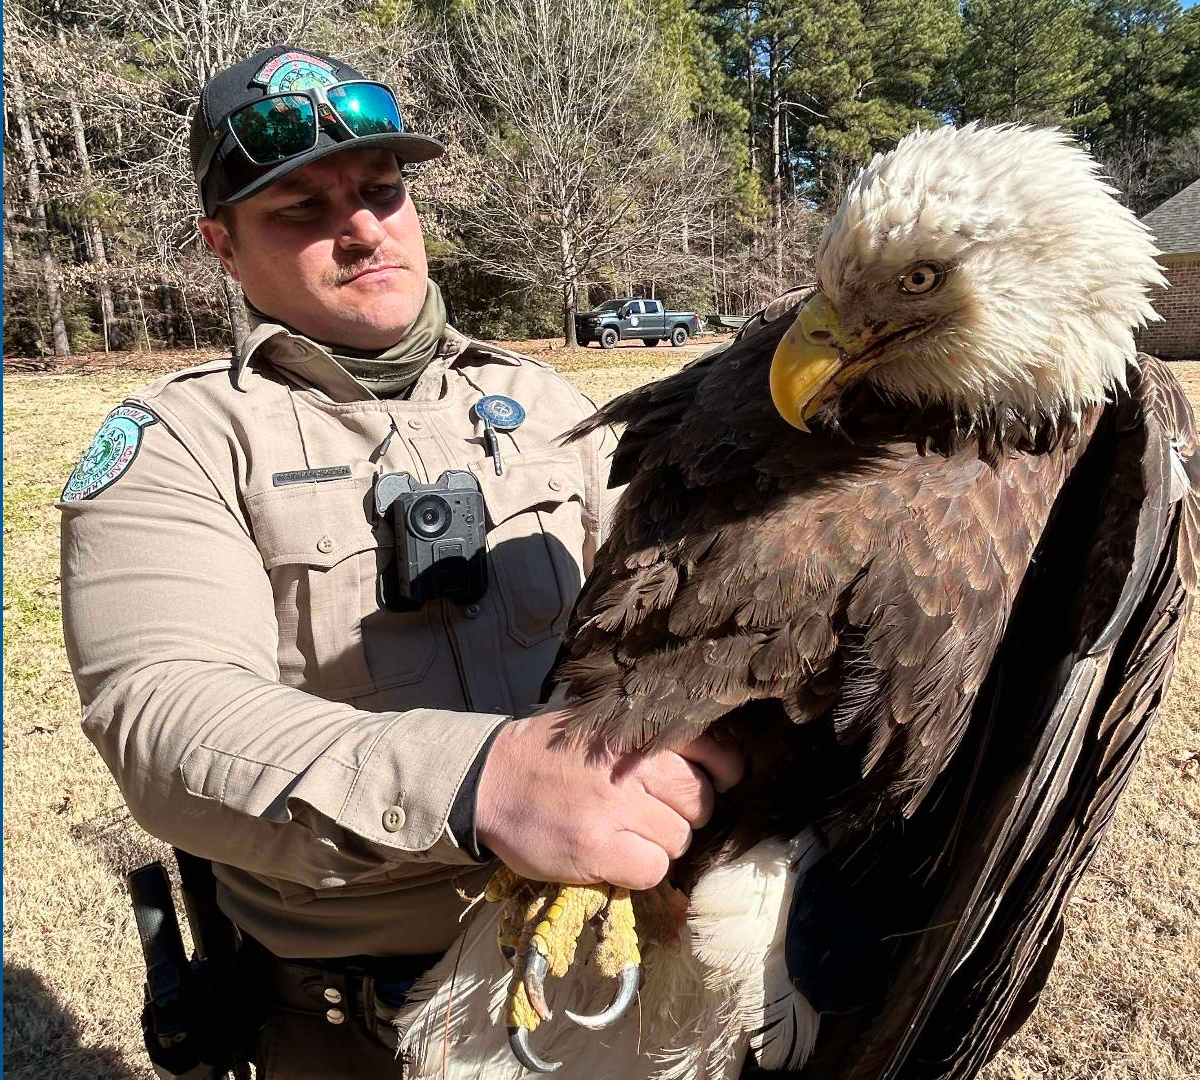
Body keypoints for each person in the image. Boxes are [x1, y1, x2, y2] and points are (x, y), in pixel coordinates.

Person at [58, 45, 745, 1078]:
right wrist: (482, 782)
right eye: (300, 208)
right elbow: (161, 713)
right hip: (355, 1022)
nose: (364, 227)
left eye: (382, 190)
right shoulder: (183, 440)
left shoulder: (554, 405)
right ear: (222, 246)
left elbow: (678, 617)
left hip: (605, 972)